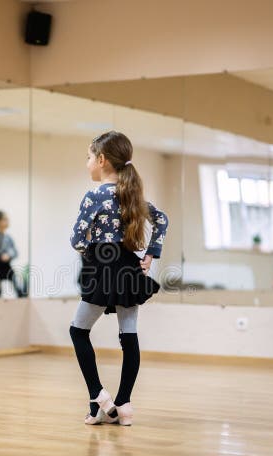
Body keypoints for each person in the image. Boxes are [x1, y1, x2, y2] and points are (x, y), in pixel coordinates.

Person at [69, 131, 168, 426]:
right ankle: (123, 405)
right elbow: (161, 219)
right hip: (128, 265)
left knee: (78, 331)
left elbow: (76, 238)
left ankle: (98, 396)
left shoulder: (95, 195)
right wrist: (150, 255)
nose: (87, 164)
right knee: (129, 334)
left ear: (101, 160)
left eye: (89, 158)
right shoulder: (132, 195)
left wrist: (89, 250)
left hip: (102, 265)